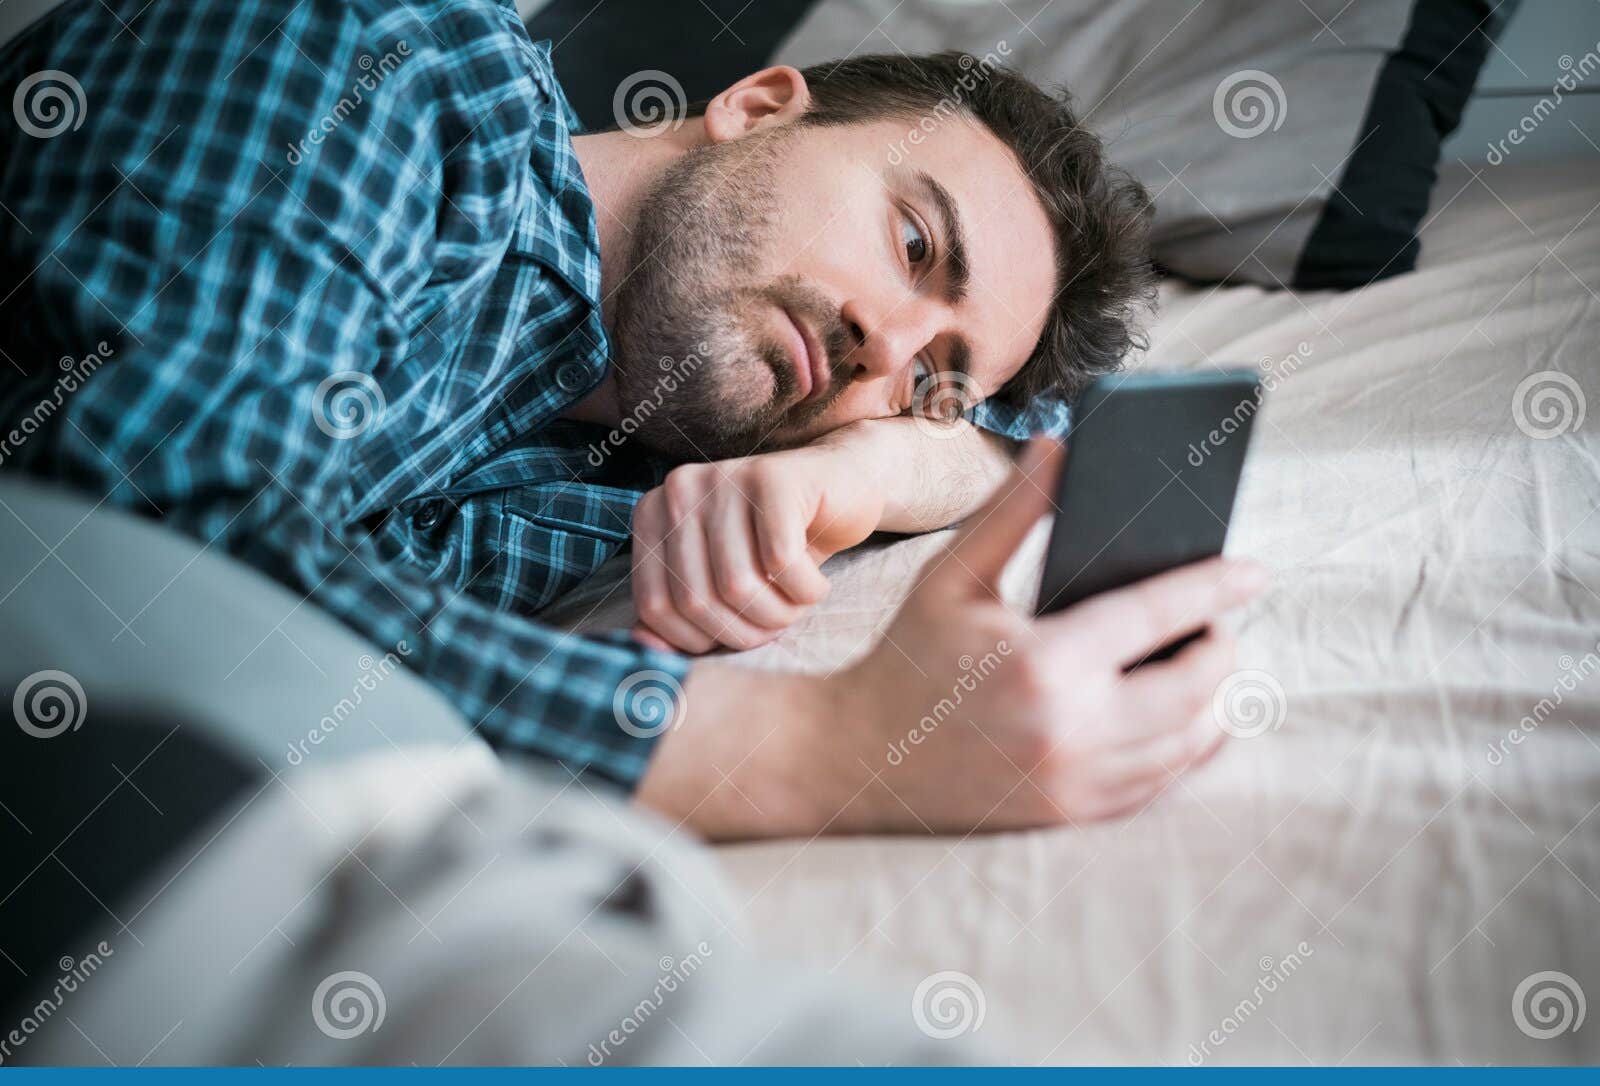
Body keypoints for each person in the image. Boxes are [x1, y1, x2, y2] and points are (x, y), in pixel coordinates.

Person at [0, 0, 1264, 841]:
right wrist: (829, 744)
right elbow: (146, 550)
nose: (884, 342)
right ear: (759, 106)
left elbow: (1021, 428)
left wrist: (875, 466)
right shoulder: (389, 61)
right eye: (912, 238)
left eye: (930, 367)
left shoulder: (644, 472)